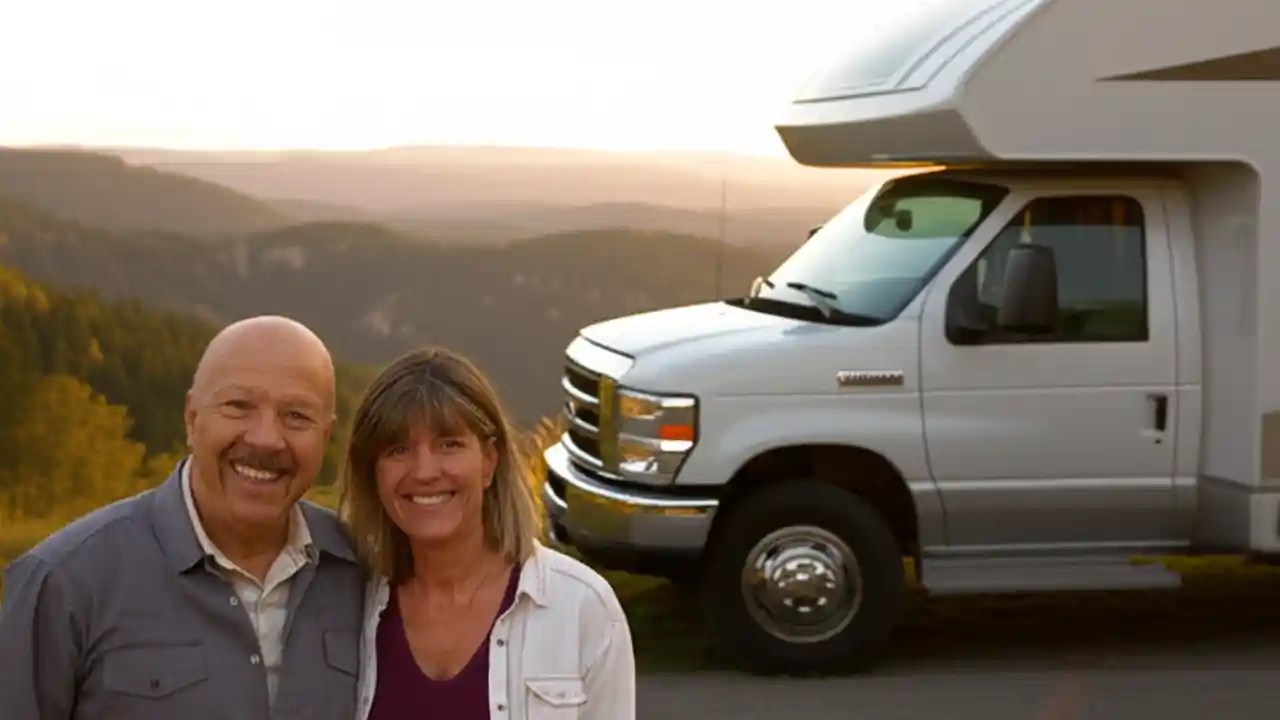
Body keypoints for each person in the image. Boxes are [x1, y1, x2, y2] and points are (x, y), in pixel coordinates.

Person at [0, 315, 366, 720]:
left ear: (325, 436)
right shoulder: (64, 581)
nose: (265, 438)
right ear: (192, 419)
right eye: (238, 406)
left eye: (296, 415)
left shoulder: (365, 573)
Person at [341, 346, 635, 720]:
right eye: (398, 449)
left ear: (489, 461)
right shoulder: (347, 605)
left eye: (449, 444)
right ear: (373, 473)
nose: (425, 471)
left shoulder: (581, 607)